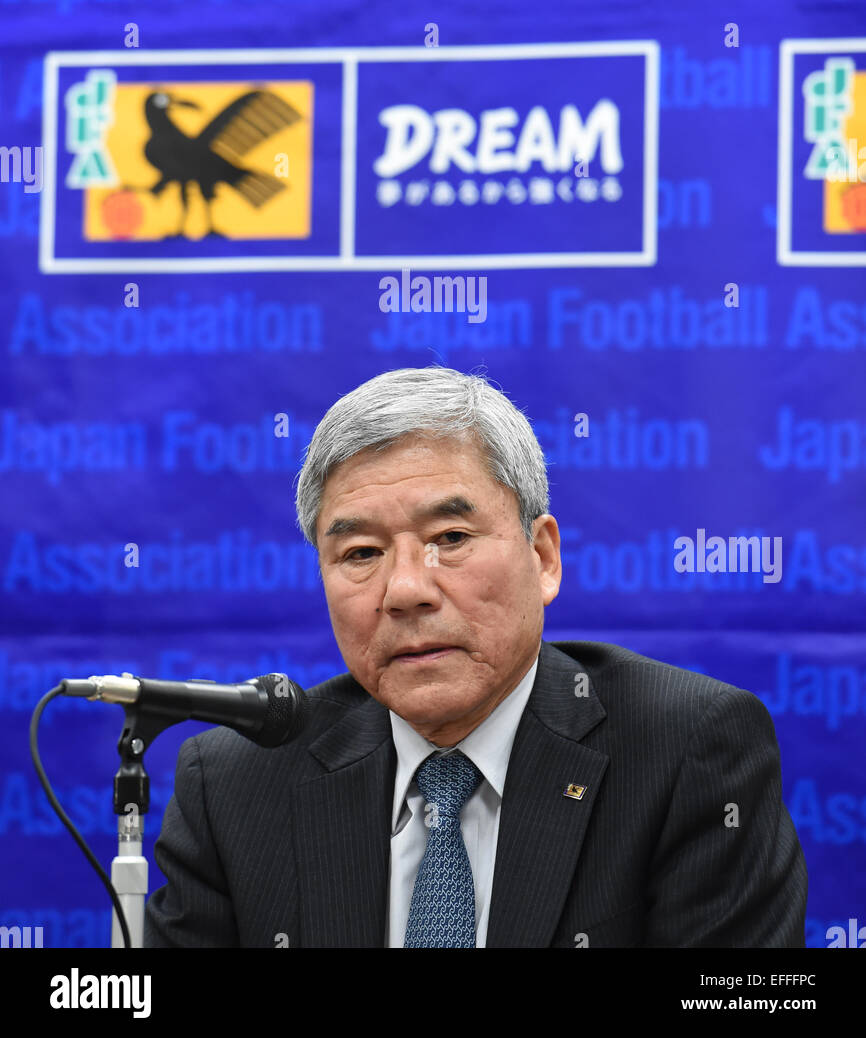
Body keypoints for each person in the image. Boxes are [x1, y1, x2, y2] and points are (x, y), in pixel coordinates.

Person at [144, 366, 808, 948]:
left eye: (451, 537)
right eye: (361, 554)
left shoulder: (689, 752)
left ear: (543, 557)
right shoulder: (235, 785)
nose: (405, 590)